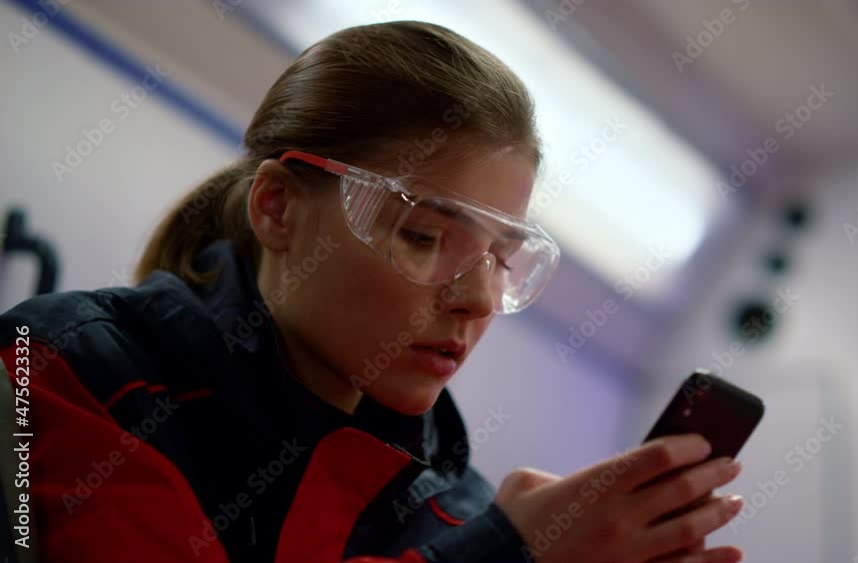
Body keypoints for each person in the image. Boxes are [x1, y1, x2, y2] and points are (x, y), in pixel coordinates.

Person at [0, 21, 745, 563]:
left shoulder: (455, 509)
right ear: (278, 209)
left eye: (500, 257)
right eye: (423, 236)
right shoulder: (62, 366)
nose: (479, 299)